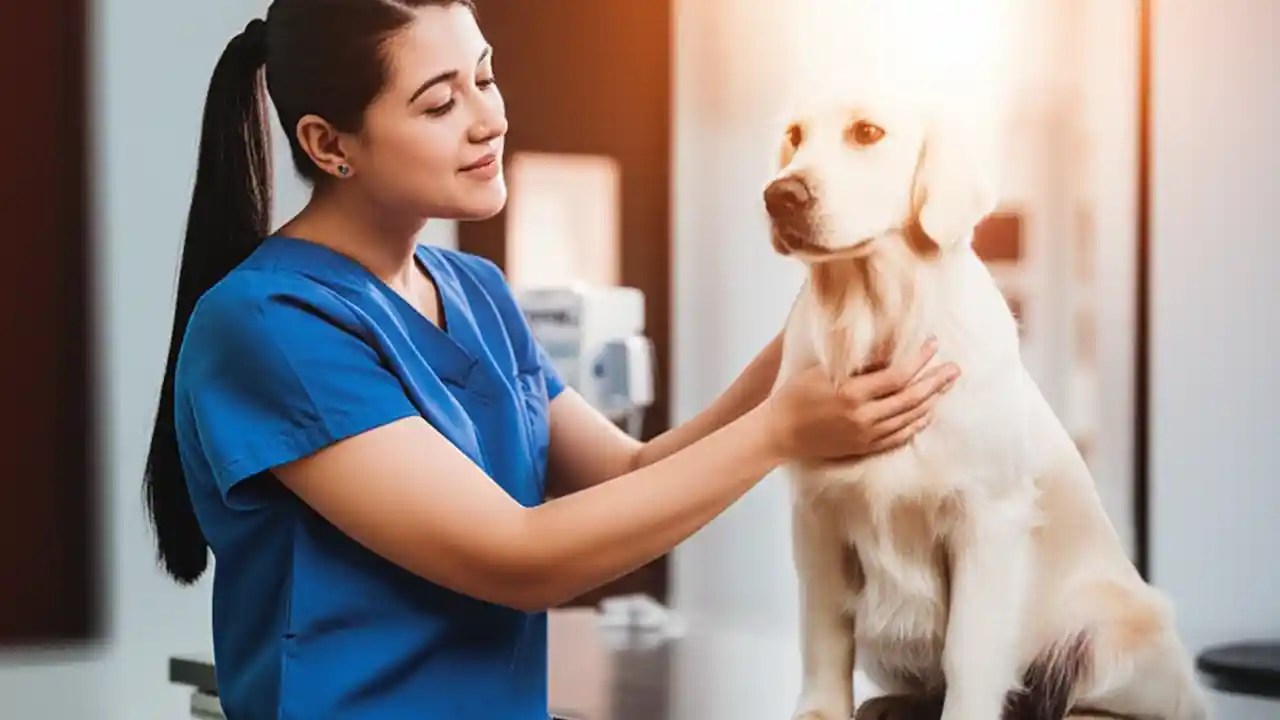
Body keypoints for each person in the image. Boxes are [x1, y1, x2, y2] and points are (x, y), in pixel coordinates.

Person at [142, 1, 960, 717]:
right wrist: (782, 433)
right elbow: (518, 559)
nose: (488, 119)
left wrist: (815, 324)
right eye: (439, 104)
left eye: (485, 78)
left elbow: (630, 474)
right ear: (328, 144)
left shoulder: (476, 291)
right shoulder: (271, 324)